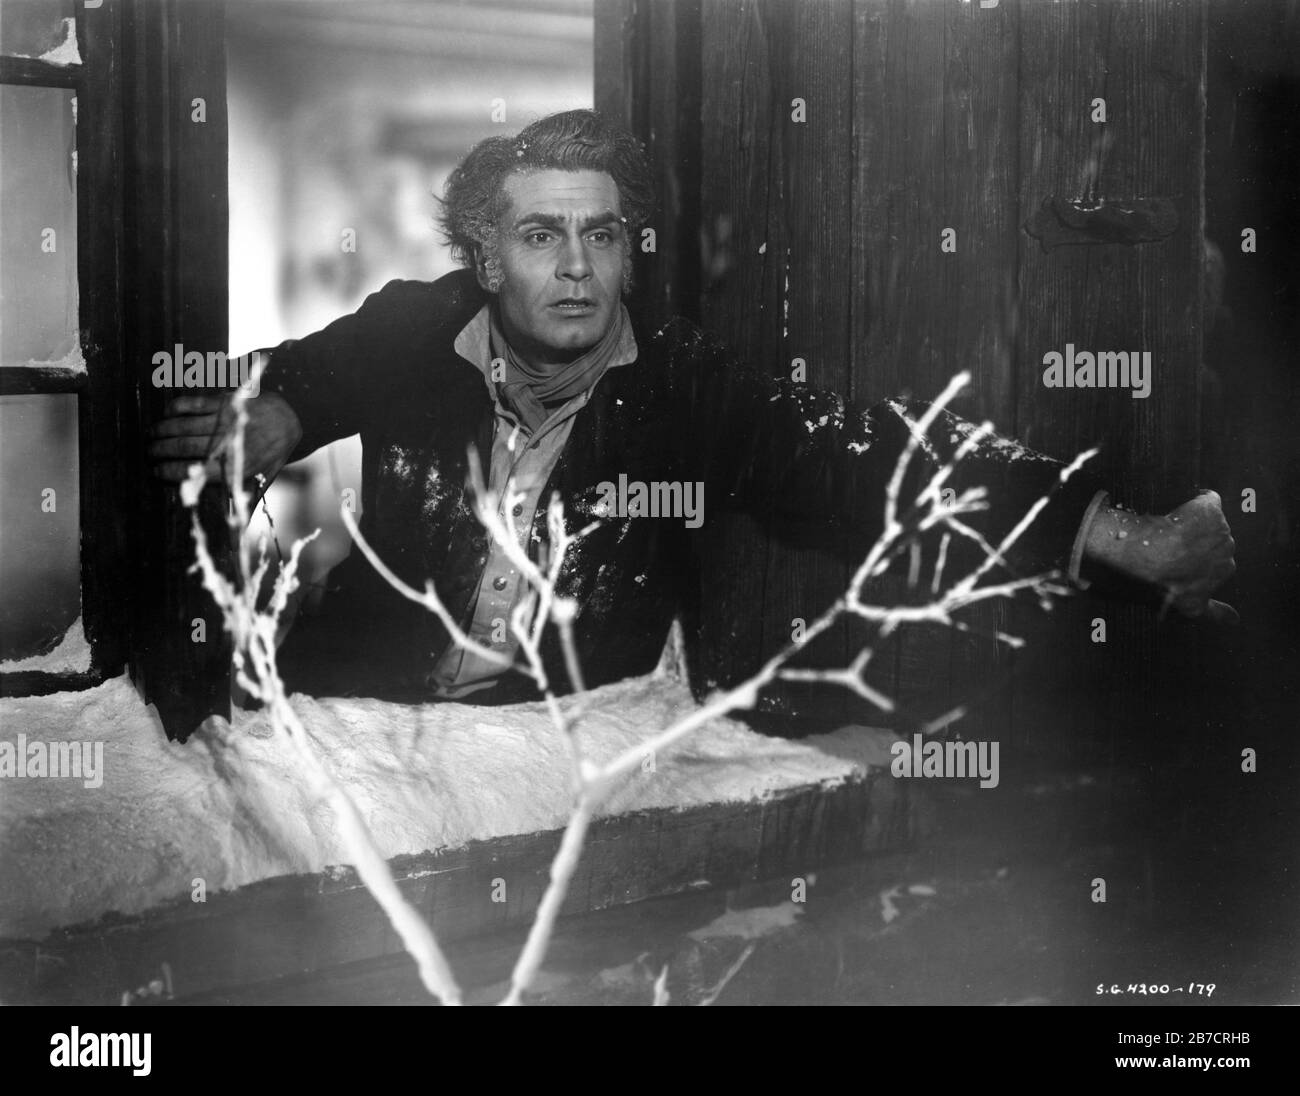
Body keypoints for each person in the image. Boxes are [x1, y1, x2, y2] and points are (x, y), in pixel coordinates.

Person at [148, 110, 1237, 705]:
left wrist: (1115, 534)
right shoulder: (410, 327)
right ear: (484, 256)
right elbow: (306, 371)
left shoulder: (690, 387)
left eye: (603, 235)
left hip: (551, 761)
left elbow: (887, 461)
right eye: (540, 236)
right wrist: (276, 409)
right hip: (353, 729)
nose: (577, 267)